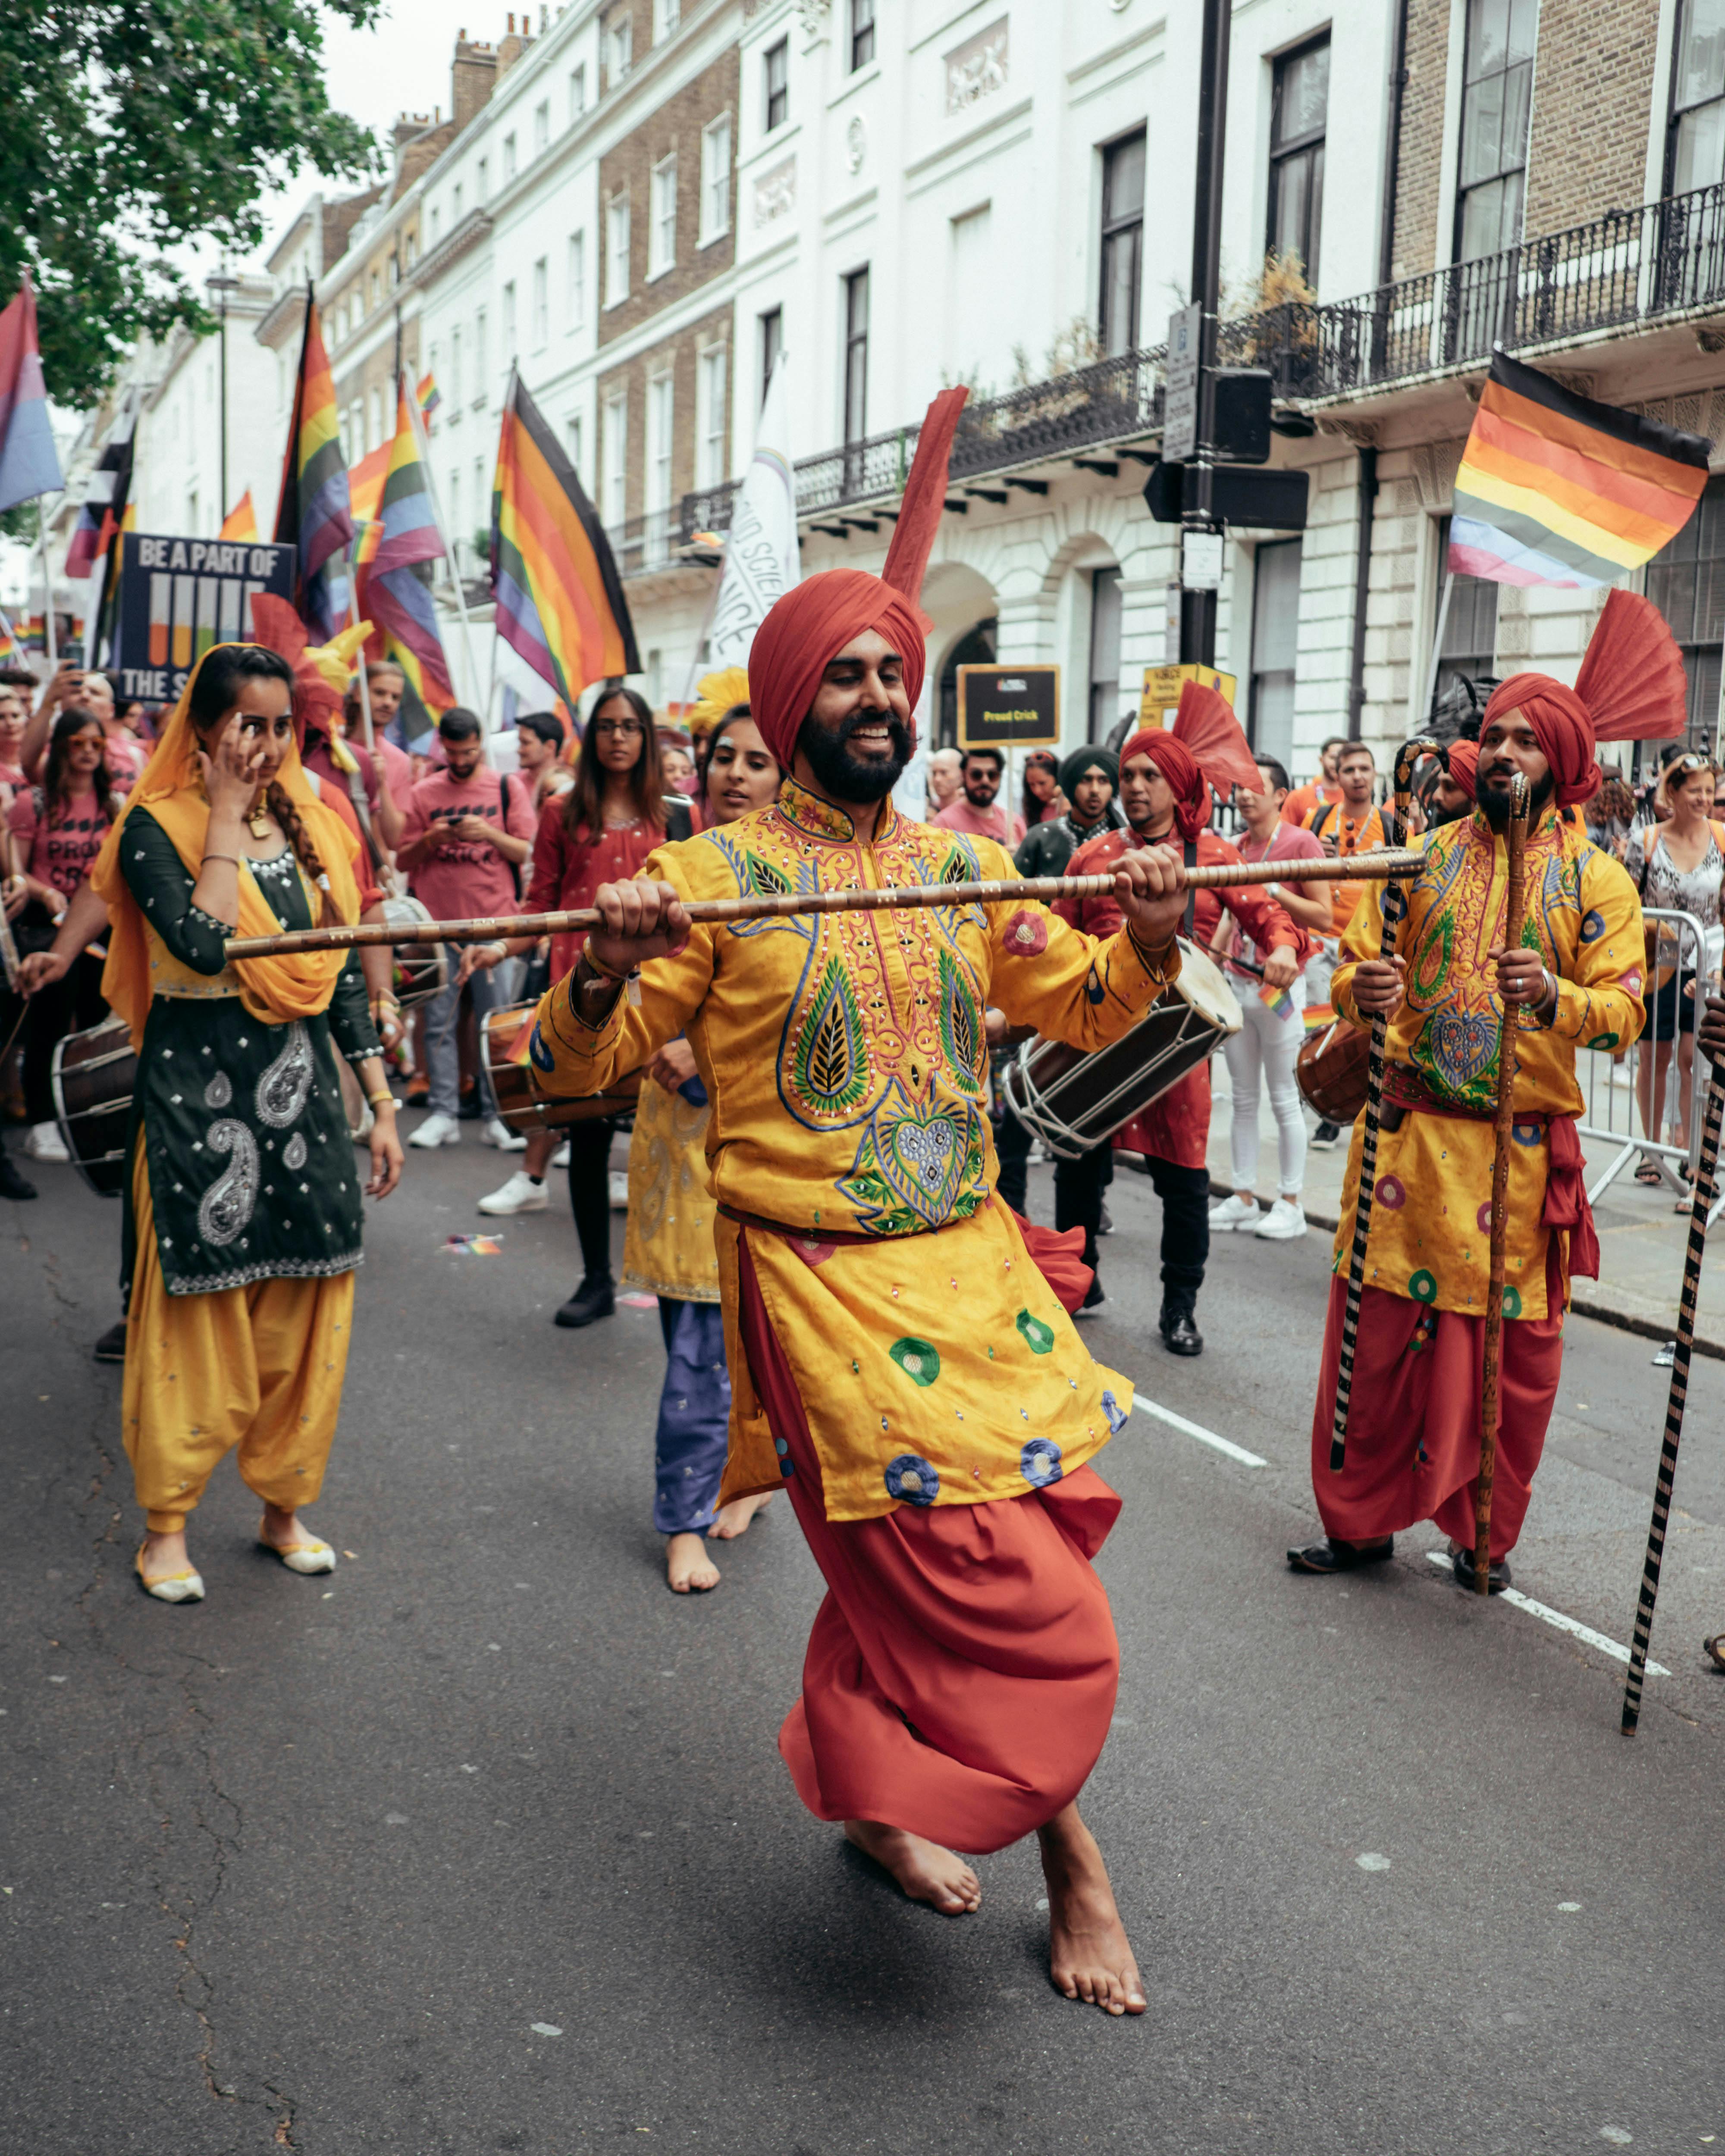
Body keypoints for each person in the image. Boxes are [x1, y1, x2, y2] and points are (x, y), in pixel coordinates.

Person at [529, 560, 1190, 2014]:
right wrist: (595, 973)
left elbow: (1080, 1006)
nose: (879, 697)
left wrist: (1143, 934)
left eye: (892, 672)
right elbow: (571, 1071)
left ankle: (877, 1795)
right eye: (847, 675)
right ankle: (1076, 1864)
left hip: (978, 1276)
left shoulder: (966, 868)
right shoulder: (705, 884)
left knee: (945, 1570)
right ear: (790, 698)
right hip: (822, 1300)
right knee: (1013, 1609)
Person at [1287, 675, 1645, 1591]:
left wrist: (1554, 995)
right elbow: (1352, 962)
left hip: (1515, 1165)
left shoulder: (1594, 877)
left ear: (1558, 763)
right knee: (1371, 1346)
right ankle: (1357, 1524)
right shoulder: (1420, 857)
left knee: (1504, 1366)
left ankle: (1481, 1536)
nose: (1501, 753)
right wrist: (1359, 988)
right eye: (1494, 737)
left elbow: (1624, 1013)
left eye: (1525, 741)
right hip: (1403, 1149)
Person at [85, 642, 402, 1602]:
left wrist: (381, 1102)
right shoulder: (156, 826)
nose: (265, 745)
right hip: (194, 1108)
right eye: (247, 725)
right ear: (205, 726)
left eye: (279, 727)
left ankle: (282, 1510)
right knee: (195, 1318)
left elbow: (341, 968)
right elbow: (201, 939)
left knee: (305, 1320)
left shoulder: (313, 822)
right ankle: (166, 1527)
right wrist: (224, 813)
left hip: (304, 1109)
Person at [1057, 703, 1299, 1346]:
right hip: (1097, 1044)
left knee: (1185, 1185)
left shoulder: (1213, 855)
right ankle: (1078, 1283)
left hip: (1176, 1055)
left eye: (1151, 776)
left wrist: (1281, 950)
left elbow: (1271, 918)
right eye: (1128, 774)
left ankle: (1180, 1309)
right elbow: (1057, 940)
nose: (1135, 786)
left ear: (1179, 785)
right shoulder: (1092, 858)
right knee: (1078, 1167)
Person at [618, 704, 783, 1592]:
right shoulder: (671, 871)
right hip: (687, 1157)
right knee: (696, 1351)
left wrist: (712, 1048)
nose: (734, 773)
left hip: (779, 1150)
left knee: (765, 1349)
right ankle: (683, 1521)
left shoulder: (802, 884)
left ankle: (748, 1478)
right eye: (724, 756)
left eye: (757, 761)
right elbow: (626, 998)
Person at [462, 686, 668, 1331]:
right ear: (590, 736)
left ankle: (682, 1282)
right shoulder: (560, 813)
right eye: (607, 726)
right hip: (584, 1001)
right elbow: (542, 906)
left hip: (664, 1002)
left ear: (646, 737)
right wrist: (499, 947)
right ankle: (597, 1280)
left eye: (631, 726)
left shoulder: (679, 817)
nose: (618, 738)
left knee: (672, 1144)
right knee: (587, 1140)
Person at [397, 708, 536, 1151]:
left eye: (470, 751)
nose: (461, 759)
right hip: (438, 928)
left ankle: (500, 1115)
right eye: (454, 752)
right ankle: (444, 1112)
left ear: (481, 745)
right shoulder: (424, 792)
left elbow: (527, 851)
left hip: (494, 923)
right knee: (438, 1021)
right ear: (443, 746)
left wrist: (489, 834)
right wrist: (430, 840)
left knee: (497, 1024)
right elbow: (403, 860)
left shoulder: (505, 787)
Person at [1208, 756, 1330, 1242]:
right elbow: (1230, 916)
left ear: (1281, 796)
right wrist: (1214, 962)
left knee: (1284, 1098)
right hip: (1238, 985)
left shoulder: (1301, 843)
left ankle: (1291, 1202)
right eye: (1238, 786)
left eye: (1255, 786)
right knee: (1242, 1097)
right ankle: (1241, 1195)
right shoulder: (1234, 847)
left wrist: (1274, 886)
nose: (1243, 794)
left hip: (1281, 986)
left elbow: (1322, 916)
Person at [8, 708, 124, 1163]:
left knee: (94, 1028)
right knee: (49, 1029)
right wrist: (47, 891)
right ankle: (42, 1123)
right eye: (79, 743)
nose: (90, 753)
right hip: (47, 930)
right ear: (61, 746)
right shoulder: (34, 802)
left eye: (98, 744)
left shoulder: (114, 803)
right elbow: (14, 870)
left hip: (102, 933)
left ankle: (84, 1117)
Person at [1623, 752, 1723, 1188]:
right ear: (1673, 792)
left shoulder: (1721, 838)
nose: (1703, 798)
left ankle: (1690, 1151)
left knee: (1693, 1058)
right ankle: (1652, 1149)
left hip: (1708, 962)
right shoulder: (1645, 839)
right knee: (1654, 1053)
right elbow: (1624, 900)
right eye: (1694, 790)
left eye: (1708, 790)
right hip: (1659, 955)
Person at [1304, 742, 1386, 1150]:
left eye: (1364, 768)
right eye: (1349, 769)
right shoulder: (1318, 819)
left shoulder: (1392, 823)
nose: (1357, 776)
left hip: (1367, 945)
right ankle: (1326, 1109)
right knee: (1321, 1025)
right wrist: (1318, 856)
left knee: (1357, 1031)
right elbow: (1300, 872)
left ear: (1374, 774)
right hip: (1322, 944)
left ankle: (1354, 1106)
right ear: (1337, 776)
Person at [1014, 746, 1121, 880]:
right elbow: (1012, 893)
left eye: (1103, 781)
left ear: (1114, 788)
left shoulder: (1125, 841)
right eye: (1086, 780)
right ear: (1071, 785)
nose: (1095, 790)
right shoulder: (1039, 837)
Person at [933, 744, 1027, 846]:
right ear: (964, 776)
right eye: (977, 775)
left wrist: (1017, 859)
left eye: (992, 775)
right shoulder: (944, 824)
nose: (985, 781)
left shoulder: (1014, 823)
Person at [514, 710, 574, 813]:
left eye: (526, 743)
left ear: (550, 747)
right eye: (520, 743)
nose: (519, 750)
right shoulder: (512, 784)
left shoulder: (572, 786)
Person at [1282, 736, 1346, 828]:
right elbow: (1284, 834)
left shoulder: (1352, 798)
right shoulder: (1298, 797)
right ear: (1321, 760)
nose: (1337, 764)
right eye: (1333, 758)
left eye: (1343, 759)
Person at [1022, 749, 1064, 830]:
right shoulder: (1029, 812)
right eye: (1032, 784)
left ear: (1057, 777)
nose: (1037, 791)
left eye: (1042, 783)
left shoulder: (1069, 807)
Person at [925, 745, 963, 815]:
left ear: (961, 775)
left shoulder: (972, 810)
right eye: (934, 773)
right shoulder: (928, 812)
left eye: (944, 773)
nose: (937, 779)